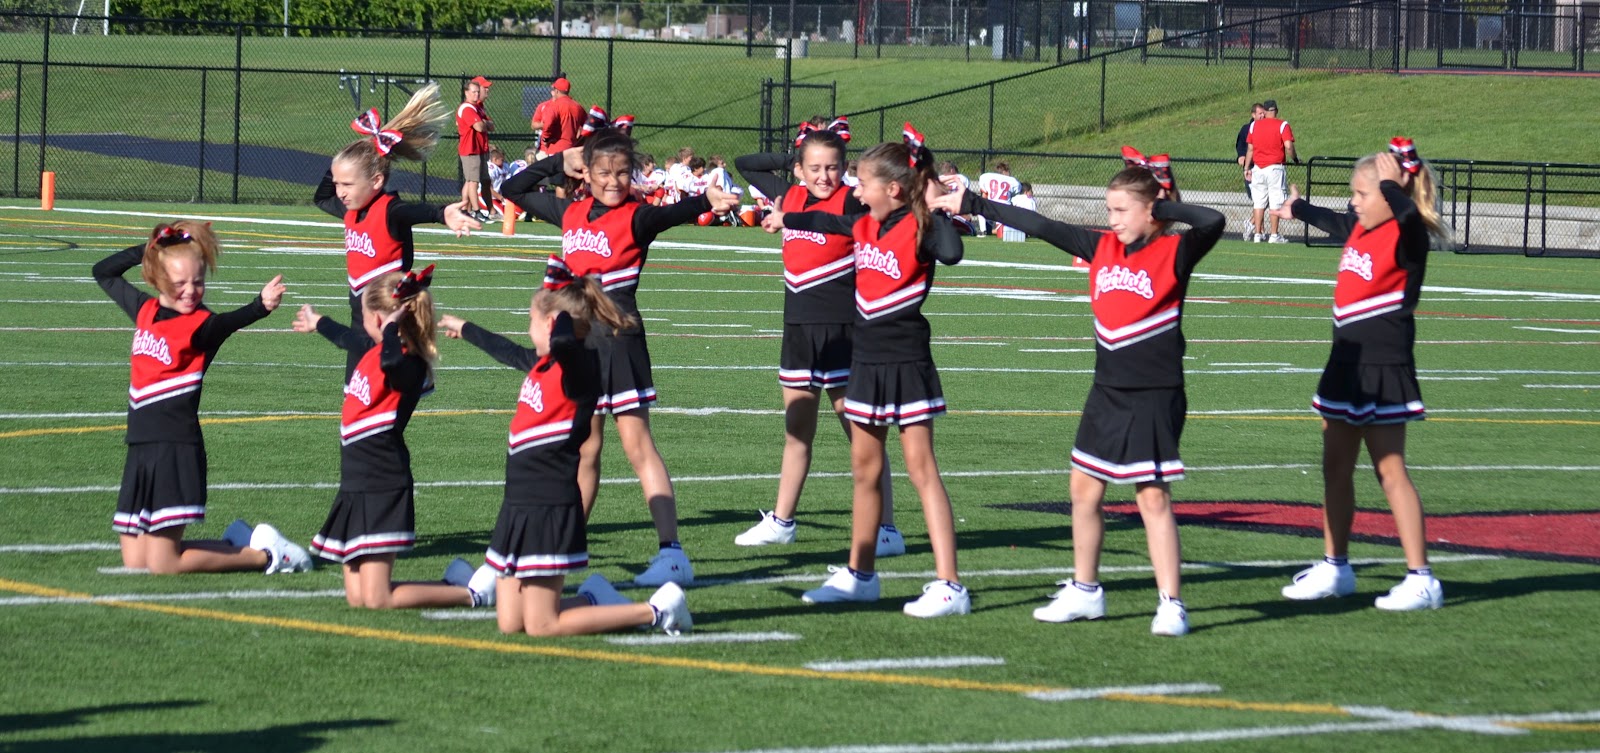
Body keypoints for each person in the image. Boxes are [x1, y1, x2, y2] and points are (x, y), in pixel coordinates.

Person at [933, 146, 1226, 636]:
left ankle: (1171, 602)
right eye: (1108, 210)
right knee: (1083, 491)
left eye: (1120, 210)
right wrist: (976, 205)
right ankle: (1086, 591)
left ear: (1150, 210)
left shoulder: (1175, 251)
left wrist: (1163, 207)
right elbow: (1044, 227)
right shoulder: (1101, 247)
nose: (1111, 220)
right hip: (1106, 392)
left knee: (1151, 497)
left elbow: (1213, 220)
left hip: (1154, 392)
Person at [499, 120, 740, 586]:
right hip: (576, 342)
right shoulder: (567, 212)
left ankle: (672, 553)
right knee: (585, 448)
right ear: (585, 173)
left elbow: (675, 213)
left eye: (622, 172)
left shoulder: (637, 216)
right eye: (603, 172)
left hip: (619, 340)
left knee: (637, 445)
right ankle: (566, 545)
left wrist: (704, 201)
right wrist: (558, 160)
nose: (613, 181)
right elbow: (512, 186)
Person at [763, 124, 968, 618]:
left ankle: (950, 585)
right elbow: (829, 225)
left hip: (906, 360)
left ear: (892, 190)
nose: (854, 189)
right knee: (864, 470)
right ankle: (861, 575)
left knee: (922, 470)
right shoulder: (863, 225)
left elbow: (953, 252)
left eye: (863, 183)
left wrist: (937, 203)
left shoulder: (918, 230)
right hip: (866, 361)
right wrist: (785, 216)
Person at [439, 258, 692, 636]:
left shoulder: (582, 370)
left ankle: (657, 611)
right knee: (511, 623)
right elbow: (507, 351)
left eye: (532, 322)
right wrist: (466, 328)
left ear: (551, 325)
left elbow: (563, 340)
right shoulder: (543, 365)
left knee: (542, 625)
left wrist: (560, 313)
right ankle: (594, 598)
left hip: (549, 504)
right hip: (517, 506)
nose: (529, 331)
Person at [1269, 139, 1452, 612]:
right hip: (1344, 364)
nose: (1353, 202)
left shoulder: (1408, 237)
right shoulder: (1361, 228)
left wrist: (1393, 186)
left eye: (1362, 194)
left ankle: (1421, 578)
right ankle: (1336, 566)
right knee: (1335, 467)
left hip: (1383, 366)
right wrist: (1299, 208)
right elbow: (1336, 222)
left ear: (1390, 194)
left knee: (1390, 471)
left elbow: (1409, 218)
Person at [94, 221, 307, 575]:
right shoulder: (144, 311)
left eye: (198, 281)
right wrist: (150, 249)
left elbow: (230, 321)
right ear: (157, 278)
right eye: (179, 283)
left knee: (164, 564)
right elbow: (103, 271)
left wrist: (261, 305)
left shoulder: (202, 326)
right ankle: (238, 543)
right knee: (136, 561)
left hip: (174, 449)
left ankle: (270, 556)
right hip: (141, 448)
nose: (191, 291)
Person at [732, 118, 904, 557]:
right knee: (797, 431)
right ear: (800, 170)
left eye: (832, 167)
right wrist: (796, 158)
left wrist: (793, 213)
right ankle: (783, 522)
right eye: (815, 168)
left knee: (862, 435)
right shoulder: (787, 193)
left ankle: (886, 528)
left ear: (845, 169)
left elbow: (841, 228)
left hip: (844, 328)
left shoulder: (853, 202)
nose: (824, 176)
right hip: (799, 329)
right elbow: (745, 162)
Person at [291, 267, 493, 610]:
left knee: (378, 598)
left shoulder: (408, 364)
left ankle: (474, 594)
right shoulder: (376, 350)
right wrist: (318, 321)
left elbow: (390, 361)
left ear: (381, 319)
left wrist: (388, 330)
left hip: (382, 480)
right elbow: (347, 338)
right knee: (359, 599)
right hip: (356, 480)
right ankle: (454, 582)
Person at [313, 83, 479, 379]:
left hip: (391, 322)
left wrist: (442, 214)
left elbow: (415, 211)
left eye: (347, 185)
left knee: (384, 399)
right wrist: (343, 162)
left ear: (376, 181)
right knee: (355, 395)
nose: (339, 191)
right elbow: (321, 197)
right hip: (361, 323)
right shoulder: (350, 210)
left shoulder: (389, 210)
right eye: (338, 183)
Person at [1244, 98, 1296, 243]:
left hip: (1258, 168)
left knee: (1258, 203)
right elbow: (1289, 146)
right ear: (1276, 111)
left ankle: (1257, 234)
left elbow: (1250, 149)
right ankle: (1274, 235)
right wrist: (1295, 159)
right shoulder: (1282, 125)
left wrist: (1247, 168)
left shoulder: (1254, 126)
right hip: (1274, 168)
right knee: (1275, 201)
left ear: (1265, 112)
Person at [456, 76, 496, 222]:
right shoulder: (468, 108)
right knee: (473, 181)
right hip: (470, 149)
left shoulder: (478, 108)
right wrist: (483, 123)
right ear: (467, 92)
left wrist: (484, 123)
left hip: (479, 148)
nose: (478, 94)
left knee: (473, 181)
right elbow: (479, 127)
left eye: (478, 92)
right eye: (474, 91)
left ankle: (465, 210)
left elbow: (490, 125)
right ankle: (475, 210)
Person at [536, 77, 587, 161]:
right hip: (571, 149)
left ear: (556, 91)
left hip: (555, 150)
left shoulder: (554, 105)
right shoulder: (578, 107)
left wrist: (545, 138)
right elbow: (587, 126)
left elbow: (548, 124)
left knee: (554, 173)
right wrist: (579, 140)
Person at [1235, 102, 1266, 236]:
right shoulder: (1246, 129)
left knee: (1264, 200)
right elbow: (1241, 145)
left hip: (1265, 168)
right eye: (1260, 113)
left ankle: (1253, 224)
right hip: (1252, 169)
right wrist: (1241, 156)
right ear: (1253, 115)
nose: (1262, 115)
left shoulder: (1267, 127)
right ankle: (1259, 229)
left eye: (1263, 113)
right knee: (1259, 201)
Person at [975, 162, 1021, 236]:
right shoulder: (1013, 181)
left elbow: (984, 196)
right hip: (1005, 210)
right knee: (1003, 235)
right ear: (1005, 171)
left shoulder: (986, 177)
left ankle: (983, 231)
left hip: (992, 207)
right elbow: (1016, 194)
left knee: (980, 208)